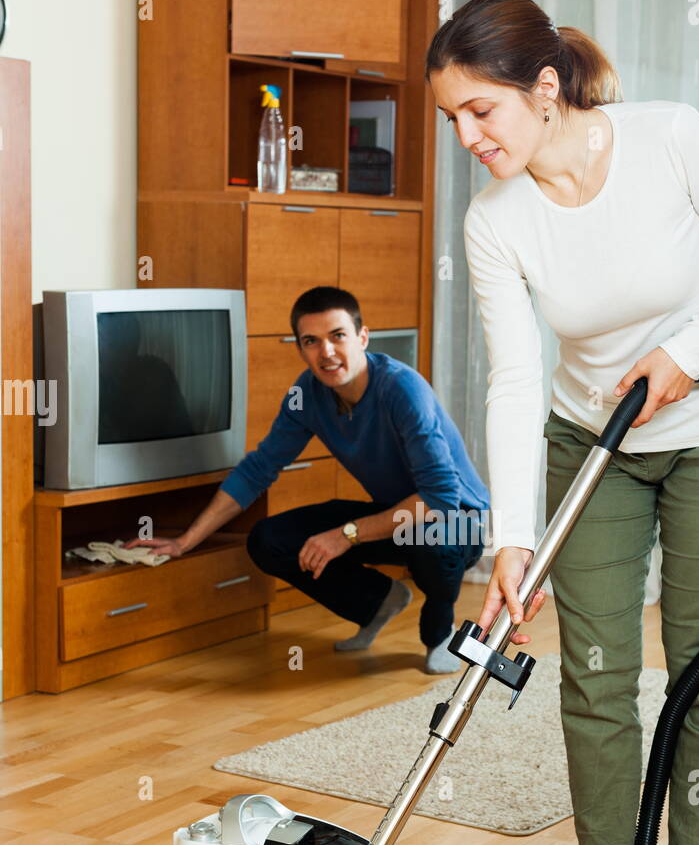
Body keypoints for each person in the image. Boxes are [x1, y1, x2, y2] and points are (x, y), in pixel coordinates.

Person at [426, 0, 699, 845]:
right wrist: (514, 539)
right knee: (593, 674)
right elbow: (513, 379)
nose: (467, 136)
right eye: (452, 119)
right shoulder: (494, 221)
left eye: (481, 111)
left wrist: (688, 348)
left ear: (543, 89)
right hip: (589, 447)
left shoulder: (667, 139)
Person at [126, 285, 489, 674]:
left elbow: (440, 498)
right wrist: (184, 541)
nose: (326, 353)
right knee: (269, 540)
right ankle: (377, 602)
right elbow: (258, 469)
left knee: (431, 542)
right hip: (393, 515)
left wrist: (345, 534)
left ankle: (440, 633)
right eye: (311, 341)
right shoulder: (306, 394)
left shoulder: (402, 389)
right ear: (300, 349)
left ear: (362, 338)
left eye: (337, 336)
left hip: (455, 521)